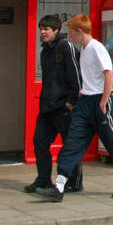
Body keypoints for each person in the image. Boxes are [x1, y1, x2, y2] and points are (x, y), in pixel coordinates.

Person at [36, 14, 113, 201]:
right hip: (85, 101)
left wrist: (103, 101)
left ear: (80, 32)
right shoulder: (83, 49)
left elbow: (109, 75)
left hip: (99, 100)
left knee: (112, 141)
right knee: (73, 142)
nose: (69, 36)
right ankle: (59, 186)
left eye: (71, 32)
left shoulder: (96, 48)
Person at [24, 15, 84, 196]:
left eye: (46, 29)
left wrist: (71, 102)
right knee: (40, 142)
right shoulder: (45, 51)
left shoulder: (65, 47)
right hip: (48, 107)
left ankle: (74, 183)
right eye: (41, 28)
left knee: (69, 145)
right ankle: (43, 179)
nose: (42, 32)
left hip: (64, 107)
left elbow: (77, 77)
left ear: (56, 30)